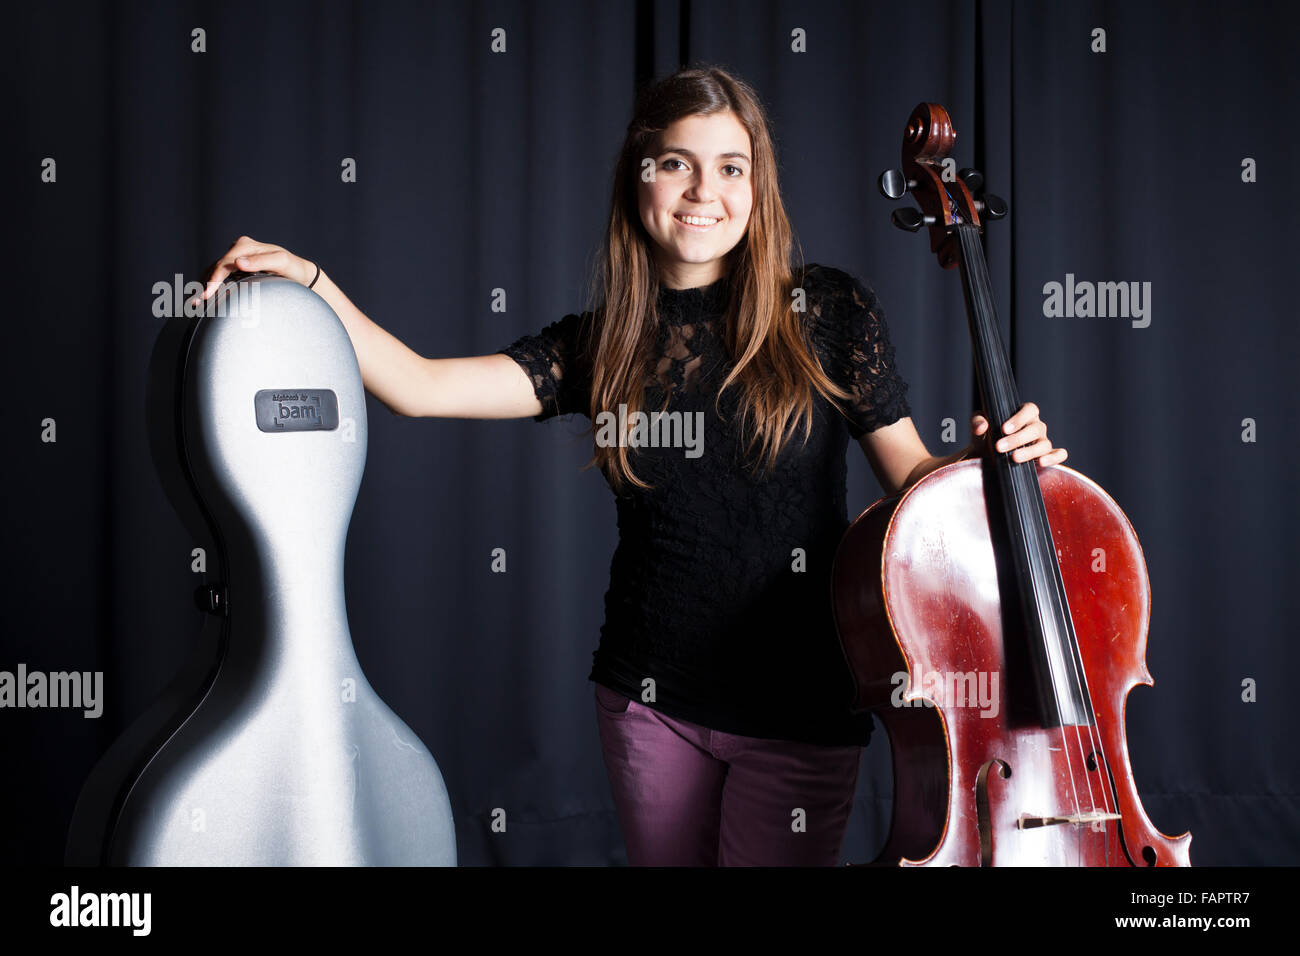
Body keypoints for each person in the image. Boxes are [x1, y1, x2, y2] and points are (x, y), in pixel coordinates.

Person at [196, 66, 1066, 867]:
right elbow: (419, 387)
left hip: (801, 710)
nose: (705, 192)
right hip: (650, 702)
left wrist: (989, 467)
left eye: (732, 167)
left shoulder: (827, 311)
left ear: (757, 188)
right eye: (677, 164)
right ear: (637, 179)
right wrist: (312, 281)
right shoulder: (601, 342)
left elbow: (911, 477)